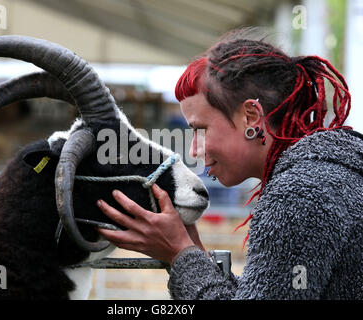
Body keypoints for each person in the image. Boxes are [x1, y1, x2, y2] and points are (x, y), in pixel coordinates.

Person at [96, 30, 363, 299]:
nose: (194, 150)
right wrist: (196, 256)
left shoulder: (301, 194)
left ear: (251, 117)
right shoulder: (329, 177)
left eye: (200, 129)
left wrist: (180, 254)